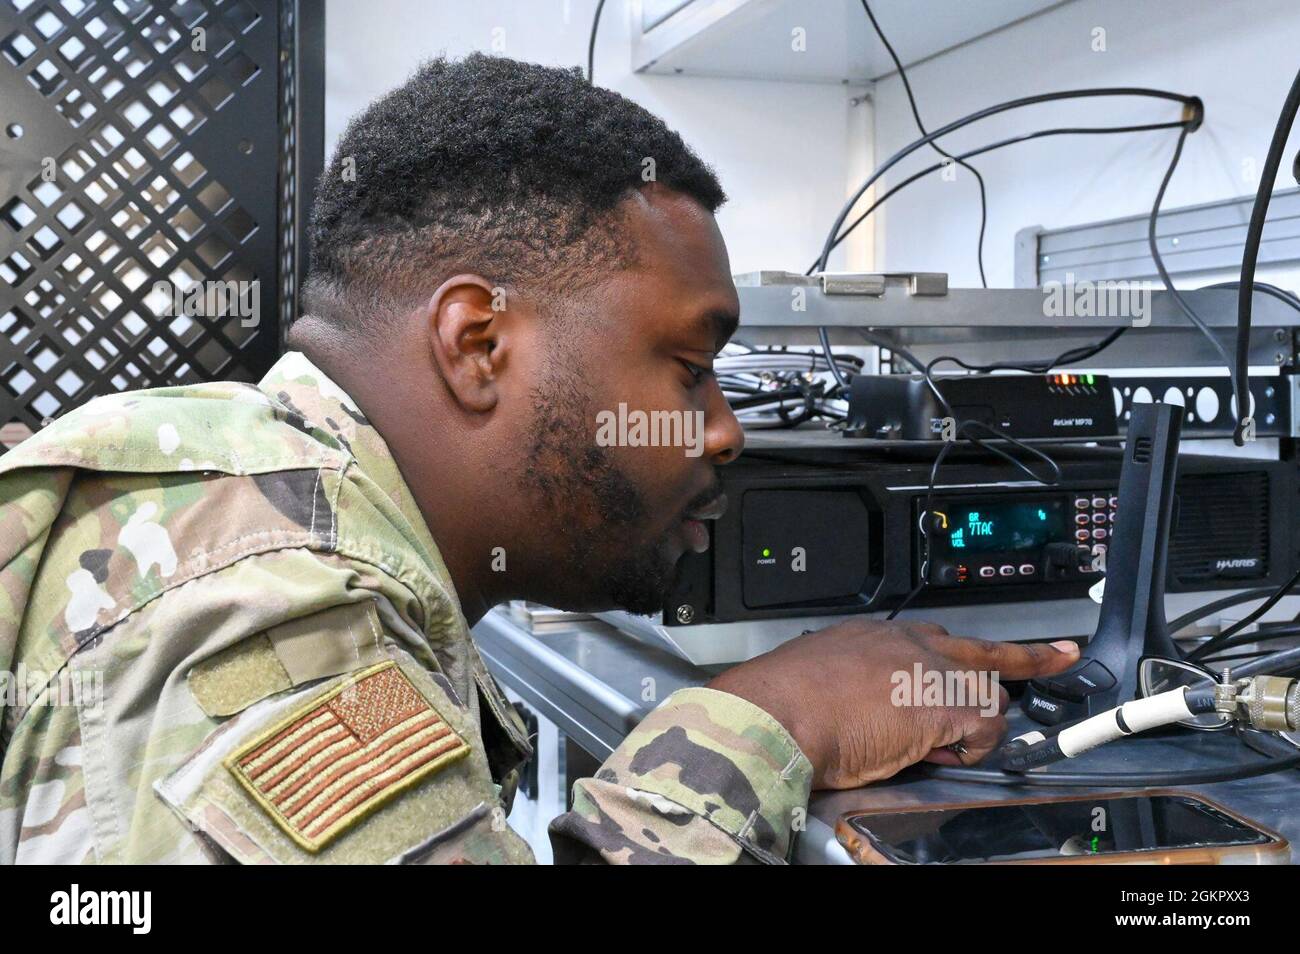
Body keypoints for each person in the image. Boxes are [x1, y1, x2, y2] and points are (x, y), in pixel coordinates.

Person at [0, 54, 1079, 864]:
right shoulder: (267, 614)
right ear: (478, 345)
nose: (722, 431)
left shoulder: (254, 489)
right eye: (689, 366)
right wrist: (777, 719)